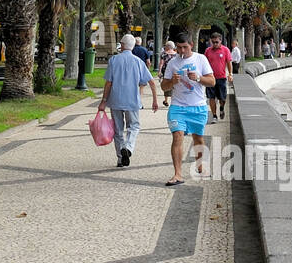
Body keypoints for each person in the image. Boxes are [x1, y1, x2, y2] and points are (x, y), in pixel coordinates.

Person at [95, 33, 158, 168]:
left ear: (122, 45)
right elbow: (151, 82)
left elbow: (108, 83)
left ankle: (120, 158)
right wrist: (154, 100)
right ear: (133, 46)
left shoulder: (113, 60)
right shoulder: (138, 62)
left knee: (118, 129)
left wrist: (103, 101)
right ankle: (128, 148)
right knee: (134, 127)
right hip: (132, 101)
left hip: (115, 100)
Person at [161, 36, 215, 186]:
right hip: (178, 107)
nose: (181, 50)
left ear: (191, 45)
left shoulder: (201, 59)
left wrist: (198, 78)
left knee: (198, 139)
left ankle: (200, 166)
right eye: (179, 47)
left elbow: (212, 81)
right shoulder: (172, 62)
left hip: (198, 106)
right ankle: (178, 174)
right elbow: (164, 87)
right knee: (177, 136)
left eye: (185, 47)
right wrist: (172, 81)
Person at [203, 32, 233, 122]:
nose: (215, 44)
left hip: (221, 78)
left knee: (222, 98)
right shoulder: (208, 51)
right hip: (210, 78)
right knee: (211, 97)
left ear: (220, 41)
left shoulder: (225, 50)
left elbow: (229, 62)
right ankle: (214, 115)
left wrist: (230, 74)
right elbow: (204, 64)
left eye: (216, 42)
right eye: (213, 42)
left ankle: (221, 108)